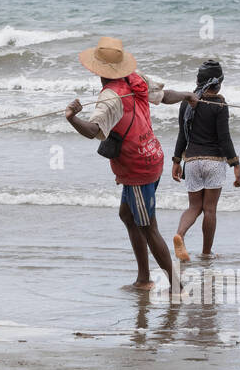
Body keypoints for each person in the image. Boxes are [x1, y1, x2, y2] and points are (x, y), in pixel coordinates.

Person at [65, 36, 199, 292]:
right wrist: (186, 95)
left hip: (138, 166)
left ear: (96, 68)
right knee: (127, 215)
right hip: (152, 153)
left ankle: (175, 286)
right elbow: (164, 96)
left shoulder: (109, 96)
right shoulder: (134, 79)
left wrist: (72, 117)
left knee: (148, 226)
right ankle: (143, 278)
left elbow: (94, 130)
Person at [170, 59, 240, 261]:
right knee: (210, 209)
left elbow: (182, 135)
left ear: (198, 80)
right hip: (214, 161)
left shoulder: (187, 102)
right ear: (218, 83)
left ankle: (180, 235)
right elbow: (224, 138)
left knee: (194, 207)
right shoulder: (219, 104)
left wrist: (176, 161)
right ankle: (206, 253)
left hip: (191, 161)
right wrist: (235, 165)